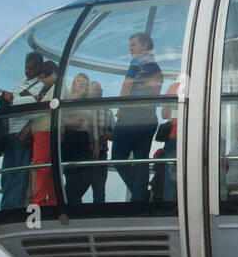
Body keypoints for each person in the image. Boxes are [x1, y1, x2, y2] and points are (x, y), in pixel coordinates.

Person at [112, 33, 163, 203]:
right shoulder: (156, 67)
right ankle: (139, 197)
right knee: (141, 160)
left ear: (145, 45)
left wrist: (121, 108)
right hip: (149, 118)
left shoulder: (138, 61)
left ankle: (140, 194)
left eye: (134, 44)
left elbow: (127, 84)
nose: (131, 48)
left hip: (132, 116)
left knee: (118, 158)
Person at [0, 50, 43, 209]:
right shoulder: (19, 82)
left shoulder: (41, 85)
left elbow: (33, 105)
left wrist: (13, 99)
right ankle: (6, 204)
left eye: (32, 69)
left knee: (20, 171)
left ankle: (16, 205)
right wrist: (3, 98)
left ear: (39, 68)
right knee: (8, 172)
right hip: (12, 132)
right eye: (27, 68)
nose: (28, 71)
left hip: (24, 134)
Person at [62, 73, 104, 204]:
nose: (80, 83)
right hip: (69, 139)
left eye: (84, 82)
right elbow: (58, 120)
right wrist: (72, 122)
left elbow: (93, 126)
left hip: (83, 140)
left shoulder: (88, 103)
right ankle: (72, 204)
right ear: (73, 83)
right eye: (78, 81)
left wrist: (96, 145)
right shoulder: (65, 99)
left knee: (87, 174)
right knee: (71, 176)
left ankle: (70, 201)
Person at [27, 61, 60, 207]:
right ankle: (52, 202)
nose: (41, 80)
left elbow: (43, 110)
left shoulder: (55, 90)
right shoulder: (55, 89)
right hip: (49, 132)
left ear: (53, 74)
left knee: (42, 168)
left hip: (45, 132)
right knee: (51, 171)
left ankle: (39, 203)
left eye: (43, 77)